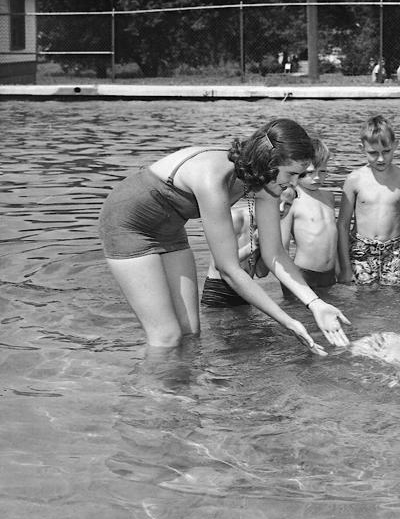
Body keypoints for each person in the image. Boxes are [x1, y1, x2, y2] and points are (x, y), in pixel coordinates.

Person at [98, 118, 349, 355]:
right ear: (270, 165)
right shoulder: (213, 178)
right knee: (166, 337)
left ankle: (179, 397)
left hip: (170, 228)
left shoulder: (267, 185)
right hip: (128, 223)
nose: (294, 183)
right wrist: (289, 322)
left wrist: (315, 303)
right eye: (292, 174)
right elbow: (229, 269)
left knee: (190, 333)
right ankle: (150, 399)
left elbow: (275, 254)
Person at [337, 115, 400, 285]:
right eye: (373, 153)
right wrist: (345, 267)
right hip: (361, 249)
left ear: (396, 145)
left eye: (386, 151)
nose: (381, 159)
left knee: (394, 299)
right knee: (361, 299)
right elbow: (342, 224)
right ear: (362, 149)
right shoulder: (354, 179)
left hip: (394, 250)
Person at [279, 139, 337, 301]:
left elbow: (333, 236)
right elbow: (282, 246)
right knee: (301, 315)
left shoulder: (329, 197)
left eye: (323, 172)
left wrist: (339, 268)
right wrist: (289, 279)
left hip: (329, 274)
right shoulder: (292, 198)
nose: (317, 178)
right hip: (302, 273)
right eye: (310, 172)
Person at [200, 202, 260, 308]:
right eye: (278, 203)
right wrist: (254, 245)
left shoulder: (269, 225)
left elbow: (261, 273)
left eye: (288, 204)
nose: (282, 209)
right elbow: (219, 263)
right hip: (220, 288)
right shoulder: (234, 217)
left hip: (246, 289)